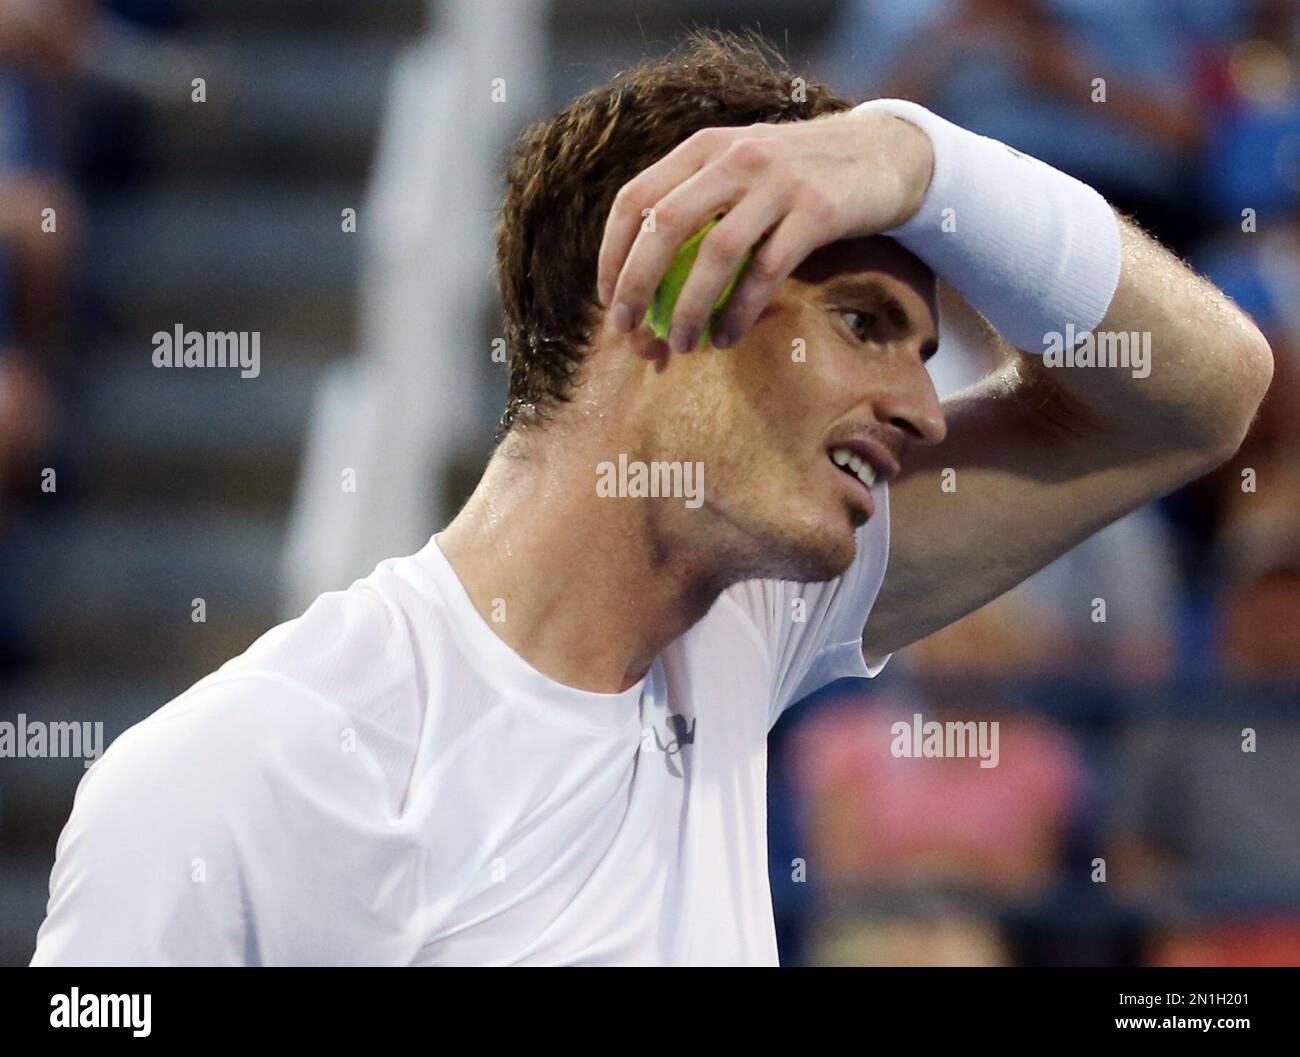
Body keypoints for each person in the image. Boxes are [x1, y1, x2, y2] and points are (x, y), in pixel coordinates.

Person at [32, 30, 1272, 966]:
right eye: (864, 325)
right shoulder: (225, 781)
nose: (924, 407)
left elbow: (1202, 394)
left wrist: (922, 157)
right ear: (670, 294)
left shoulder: (745, 628)